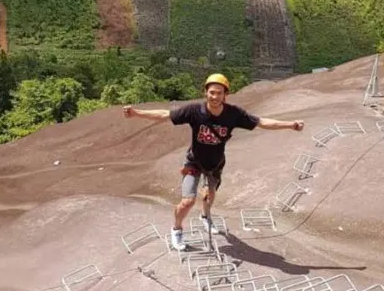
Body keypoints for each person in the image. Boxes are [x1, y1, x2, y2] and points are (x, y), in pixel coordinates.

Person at [123, 73, 304, 251]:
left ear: (225, 95)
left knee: (210, 195)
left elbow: (261, 122)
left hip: (216, 163)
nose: (215, 96)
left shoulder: (234, 114)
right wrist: (136, 113)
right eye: (212, 92)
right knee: (188, 201)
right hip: (194, 162)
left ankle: (205, 216)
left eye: (219, 92)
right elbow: (165, 114)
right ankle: (177, 230)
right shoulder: (194, 111)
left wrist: (290, 125)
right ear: (205, 93)